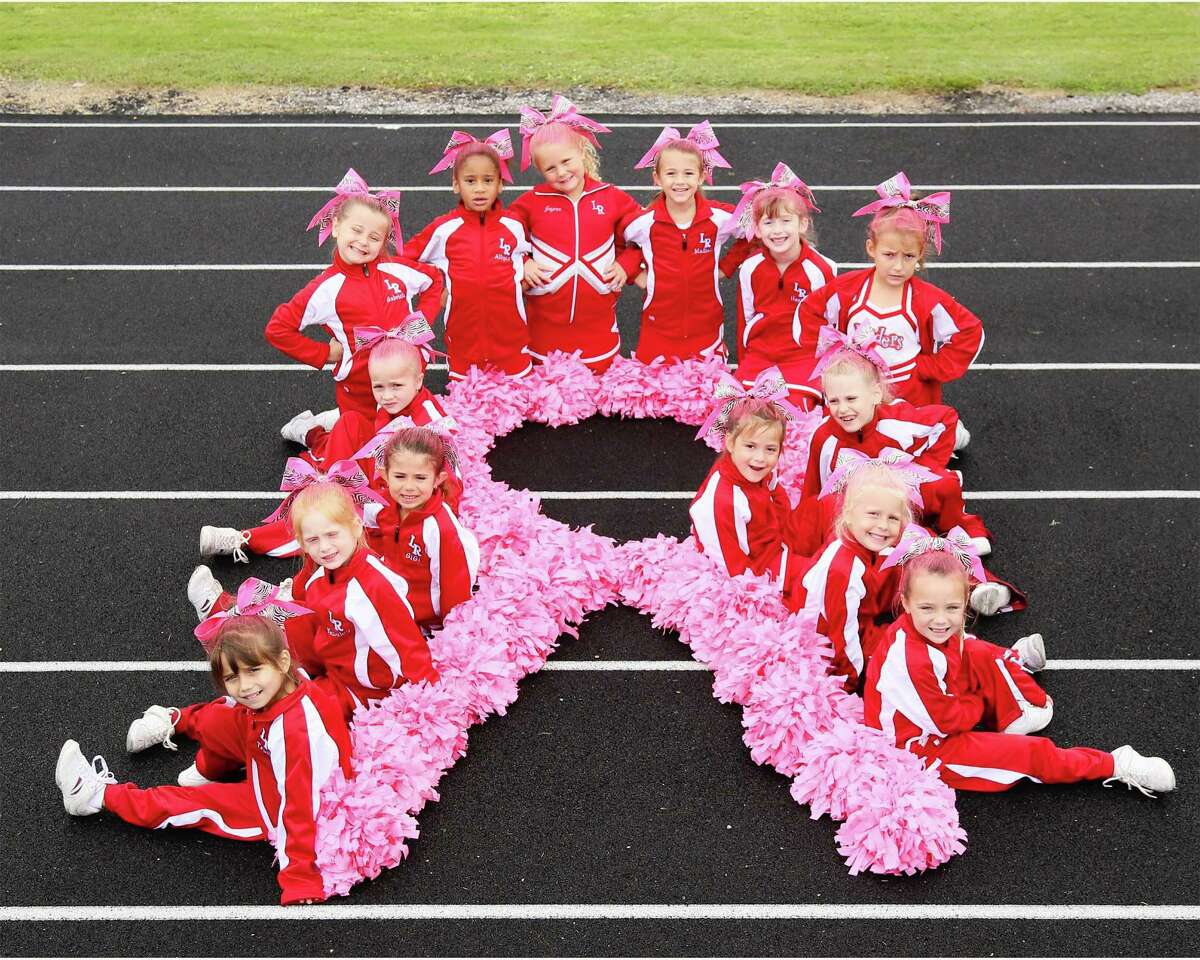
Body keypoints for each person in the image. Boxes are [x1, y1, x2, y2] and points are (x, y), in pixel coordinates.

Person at [56, 615, 353, 905]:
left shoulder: (294, 732)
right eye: (232, 677)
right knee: (220, 718)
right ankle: (178, 720)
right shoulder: (285, 683)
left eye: (253, 671)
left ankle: (95, 796)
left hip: (274, 802)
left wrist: (300, 877)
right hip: (266, 749)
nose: (246, 686)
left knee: (188, 802)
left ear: (284, 661)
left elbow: (298, 806)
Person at [864, 530, 1176, 795]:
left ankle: (1011, 665)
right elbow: (948, 723)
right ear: (905, 602)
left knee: (978, 652)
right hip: (920, 748)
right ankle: (1117, 763)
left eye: (952, 607)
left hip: (940, 707)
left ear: (965, 600)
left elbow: (960, 652)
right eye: (927, 608)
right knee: (1031, 753)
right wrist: (974, 702)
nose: (941, 619)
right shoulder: (913, 659)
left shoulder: (933, 629)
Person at [799, 171, 981, 447]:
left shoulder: (927, 300)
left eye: (908, 257)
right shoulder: (848, 289)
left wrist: (928, 367)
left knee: (909, 450)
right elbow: (809, 312)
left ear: (920, 255)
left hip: (909, 394)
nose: (898, 266)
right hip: (858, 392)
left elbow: (971, 332)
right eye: (889, 255)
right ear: (871, 248)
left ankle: (948, 431)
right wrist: (834, 358)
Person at [791, 329, 992, 556]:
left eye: (851, 399)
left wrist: (922, 467)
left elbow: (945, 419)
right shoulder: (824, 437)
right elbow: (814, 489)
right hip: (860, 508)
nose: (843, 409)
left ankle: (962, 536)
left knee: (943, 483)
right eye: (833, 400)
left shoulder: (897, 417)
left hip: (900, 493)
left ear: (876, 394)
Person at [264, 168, 443, 421]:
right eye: (356, 230)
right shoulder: (326, 288)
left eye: (374, 237)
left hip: (405, 384)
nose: (363, 242)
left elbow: (435, 279)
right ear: (336, 226)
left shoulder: (397, 269)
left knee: (420, 449)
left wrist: (420, 323)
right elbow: (278, 329)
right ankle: (311, 431)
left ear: (384, 242)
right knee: (363, 454)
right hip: (360, 392)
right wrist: (324, 353)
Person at [508, 95, 642, 373]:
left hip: (599, 332)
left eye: (566, 161)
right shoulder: (530, 203)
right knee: (546, 398)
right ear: (539, 170)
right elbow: (504, 239)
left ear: (582, 150)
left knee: (602, 399)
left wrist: (627, 266)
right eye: (550, 168)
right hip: (542, 334)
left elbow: (646, 236)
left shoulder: (612, 198)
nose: (561, 172)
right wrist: (523, 263)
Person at [405, 129, 533, 380]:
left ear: (500, 185)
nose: (480, 189)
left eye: (488, 180)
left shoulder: (515, 225)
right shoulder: (444, 229)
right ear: (456, 184)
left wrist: (527, 263)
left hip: (512, 340)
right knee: (468, 412)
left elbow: (531, 253)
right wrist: (436, 283)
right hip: (464, 344)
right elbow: (402, 259)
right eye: (470, 180)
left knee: (520, 411)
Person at [785, 463, 913, 692]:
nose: (883, 526)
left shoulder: (860, 544)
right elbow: (843, 636)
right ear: (848, 514)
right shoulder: (843, 569)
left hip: (854, 622)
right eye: (873, 514)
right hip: (825, 646)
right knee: (907, 658)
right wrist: (850, 682)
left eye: (893, 518)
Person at [720, 163, 836, 408]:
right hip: (760, 355)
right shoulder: (750, 267)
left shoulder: (822, 269)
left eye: (786, 221)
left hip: (802, 357)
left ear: (802, 224)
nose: (778, 231)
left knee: (794, 411)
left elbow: (831, 325)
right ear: (757, 229)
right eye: (768, 223)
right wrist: (745, 365)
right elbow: (746, 319)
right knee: (737, 410)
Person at [621, 122, 735, 362]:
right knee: (655, 393)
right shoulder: (644, 223)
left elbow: (755, 233)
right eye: (671, 173)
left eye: (689, 173)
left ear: (702, 176)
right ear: (657, 178)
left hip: (707, 327)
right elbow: (616, 242)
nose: (680, 181)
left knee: (705, 394)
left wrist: (725, 267)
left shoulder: (720, 218)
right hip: (658, 329)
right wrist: (634, 274)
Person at [689, 368, 800, 585]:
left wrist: (788, 533)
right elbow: (734, 571)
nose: (760, 458)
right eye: (750, 446)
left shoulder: (757, 468)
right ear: (730, 442)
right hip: (760, 567)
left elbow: (776, 493)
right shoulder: (722, 501)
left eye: (770, 449)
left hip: (775, 543)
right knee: (824, 579)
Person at [367, 427, 479, 628]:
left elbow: (454, 587)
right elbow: (353, 520)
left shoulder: (439, 527)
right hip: (390, 598)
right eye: (400, 477)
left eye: (420, 478)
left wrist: (451, 631)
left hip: (421, 618)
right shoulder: (382, 505)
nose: (409, 487)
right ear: (384, 475)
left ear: (438, 480)